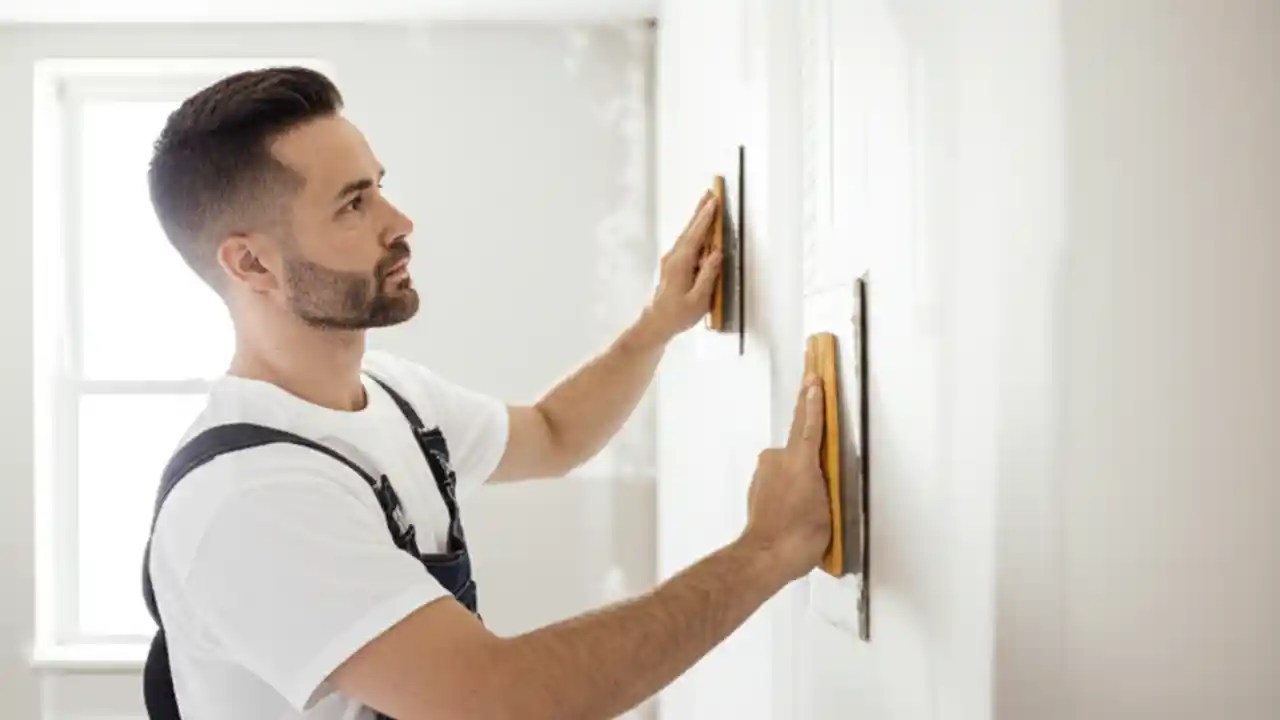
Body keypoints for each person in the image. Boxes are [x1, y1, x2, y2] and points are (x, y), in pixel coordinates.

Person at [143, 66, 831, 720]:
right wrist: (767, 550)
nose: (399, 221)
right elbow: (501, 702)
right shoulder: (249, 497)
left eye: (379, 187)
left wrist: (659, 323)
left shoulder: (394, 396)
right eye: (353, 204)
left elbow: (555, 434)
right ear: (251, 263)